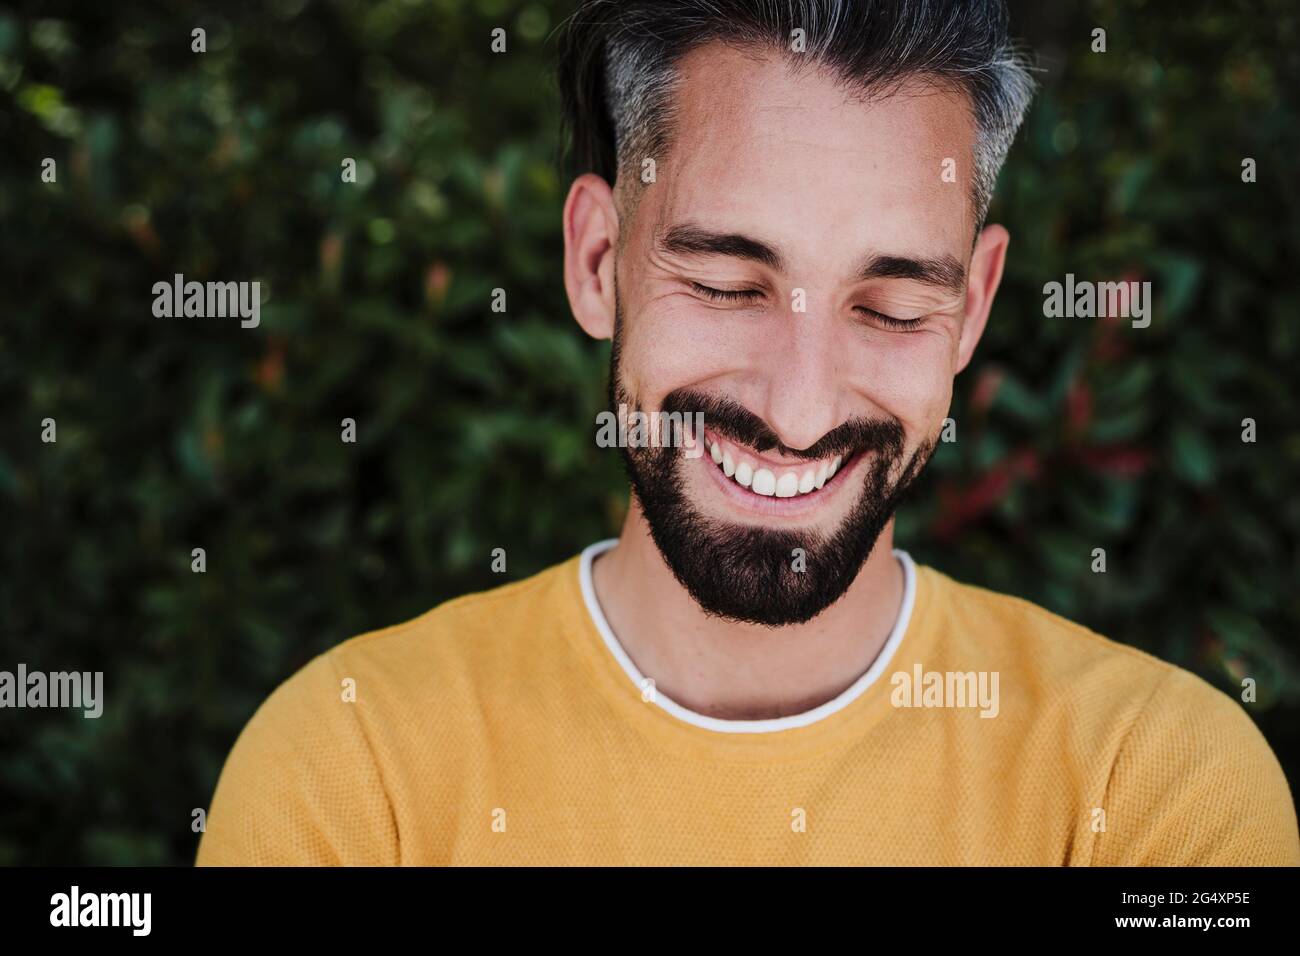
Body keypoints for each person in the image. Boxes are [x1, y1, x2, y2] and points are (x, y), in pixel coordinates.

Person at [197, 0, 1299, 866]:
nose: (801, 406)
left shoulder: (1154, 785)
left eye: (892, 306)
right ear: (596, 263)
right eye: (726, 283)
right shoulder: (350, 776)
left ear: (972, 309)